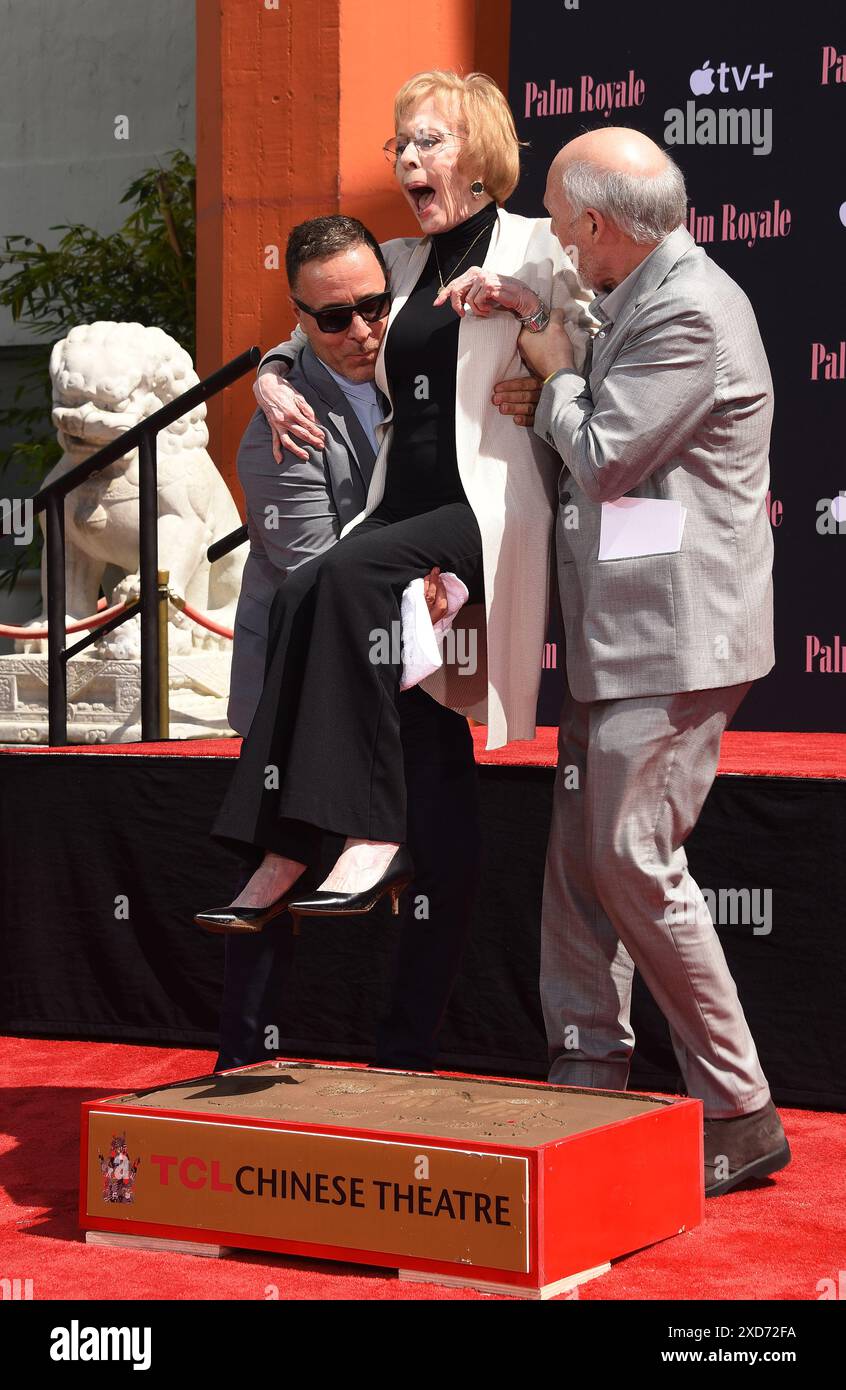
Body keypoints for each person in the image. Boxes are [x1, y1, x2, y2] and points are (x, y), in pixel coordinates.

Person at [201, 69, 594, 926]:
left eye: (428, 141)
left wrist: (526, 310)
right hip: (398, 503)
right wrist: (270, 376)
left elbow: (594, 355)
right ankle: (286, 845)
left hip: (482, 506)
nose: (408, 159)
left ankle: (374, 835)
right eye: (400, 144)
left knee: (340, 581)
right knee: (303, 592)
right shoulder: (403, 261)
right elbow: (318, 319)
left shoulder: (536, 250)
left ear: (480, 153)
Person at [515, 126, 790, 1197]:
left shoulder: (690, 308)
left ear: (595, 223)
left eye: (555, 214)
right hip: (620, 630)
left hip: (675, 638)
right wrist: (541, 329)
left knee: (630, 858)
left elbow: (606, 453)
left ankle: (740, 1105)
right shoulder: (643, 285)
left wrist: (547, 375)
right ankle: (586, 1067)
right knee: (585, 861)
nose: (550, 231)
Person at [203, 213, 541, 1072]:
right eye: (331, 319)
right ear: (299, 318)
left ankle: (406, 1055)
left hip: (413, 685)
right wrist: (272, 376)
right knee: (278, 868)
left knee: (451, 859)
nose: (360, 330)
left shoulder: (424, 368)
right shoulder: (278, 427)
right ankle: (241, 1062)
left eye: (373, 306)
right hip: (310, 692)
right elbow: (323, 573)